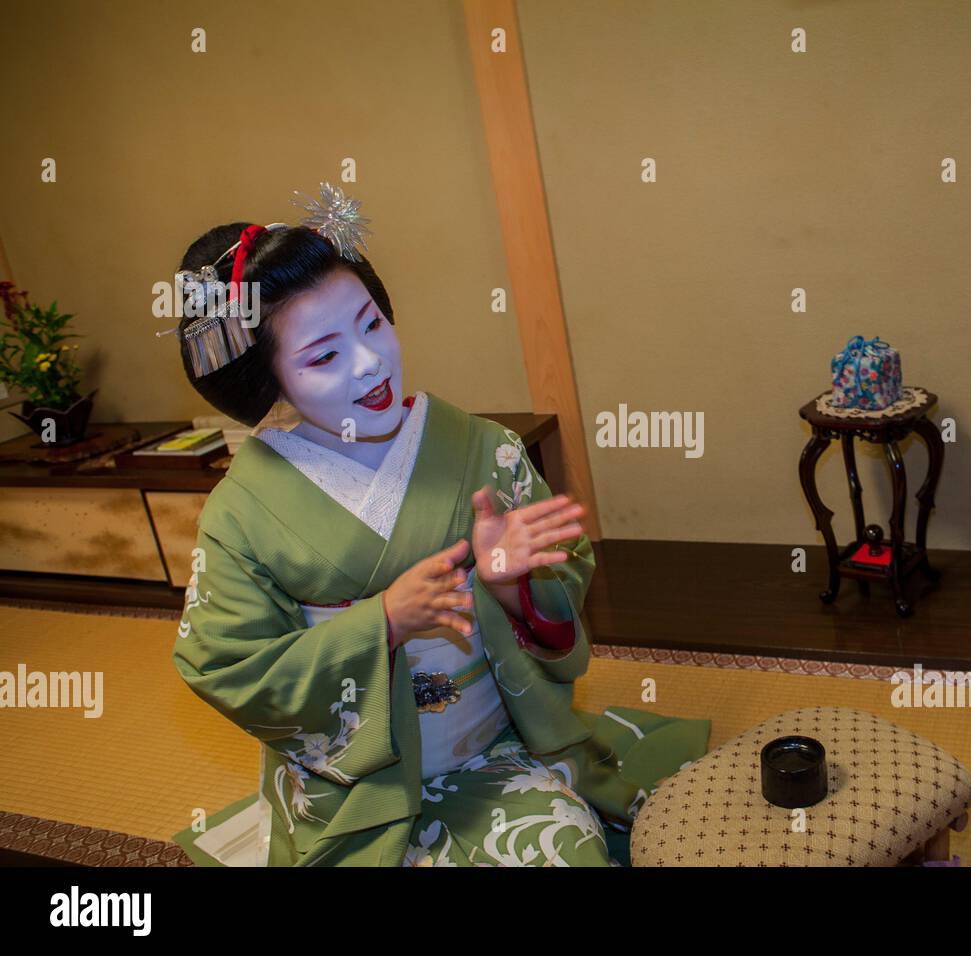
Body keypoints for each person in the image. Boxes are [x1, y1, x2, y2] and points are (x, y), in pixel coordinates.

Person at [168, 184, 710, 867]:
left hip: (500, 738)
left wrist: (512, 587)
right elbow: (223, 661)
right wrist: (384, 622)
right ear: (269, 378)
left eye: (370, 323)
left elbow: (565, 574)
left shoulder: (483, 449)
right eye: (323, 355)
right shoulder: (241, 511)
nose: (370, 362)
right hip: (349, 778)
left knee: (566, 855)